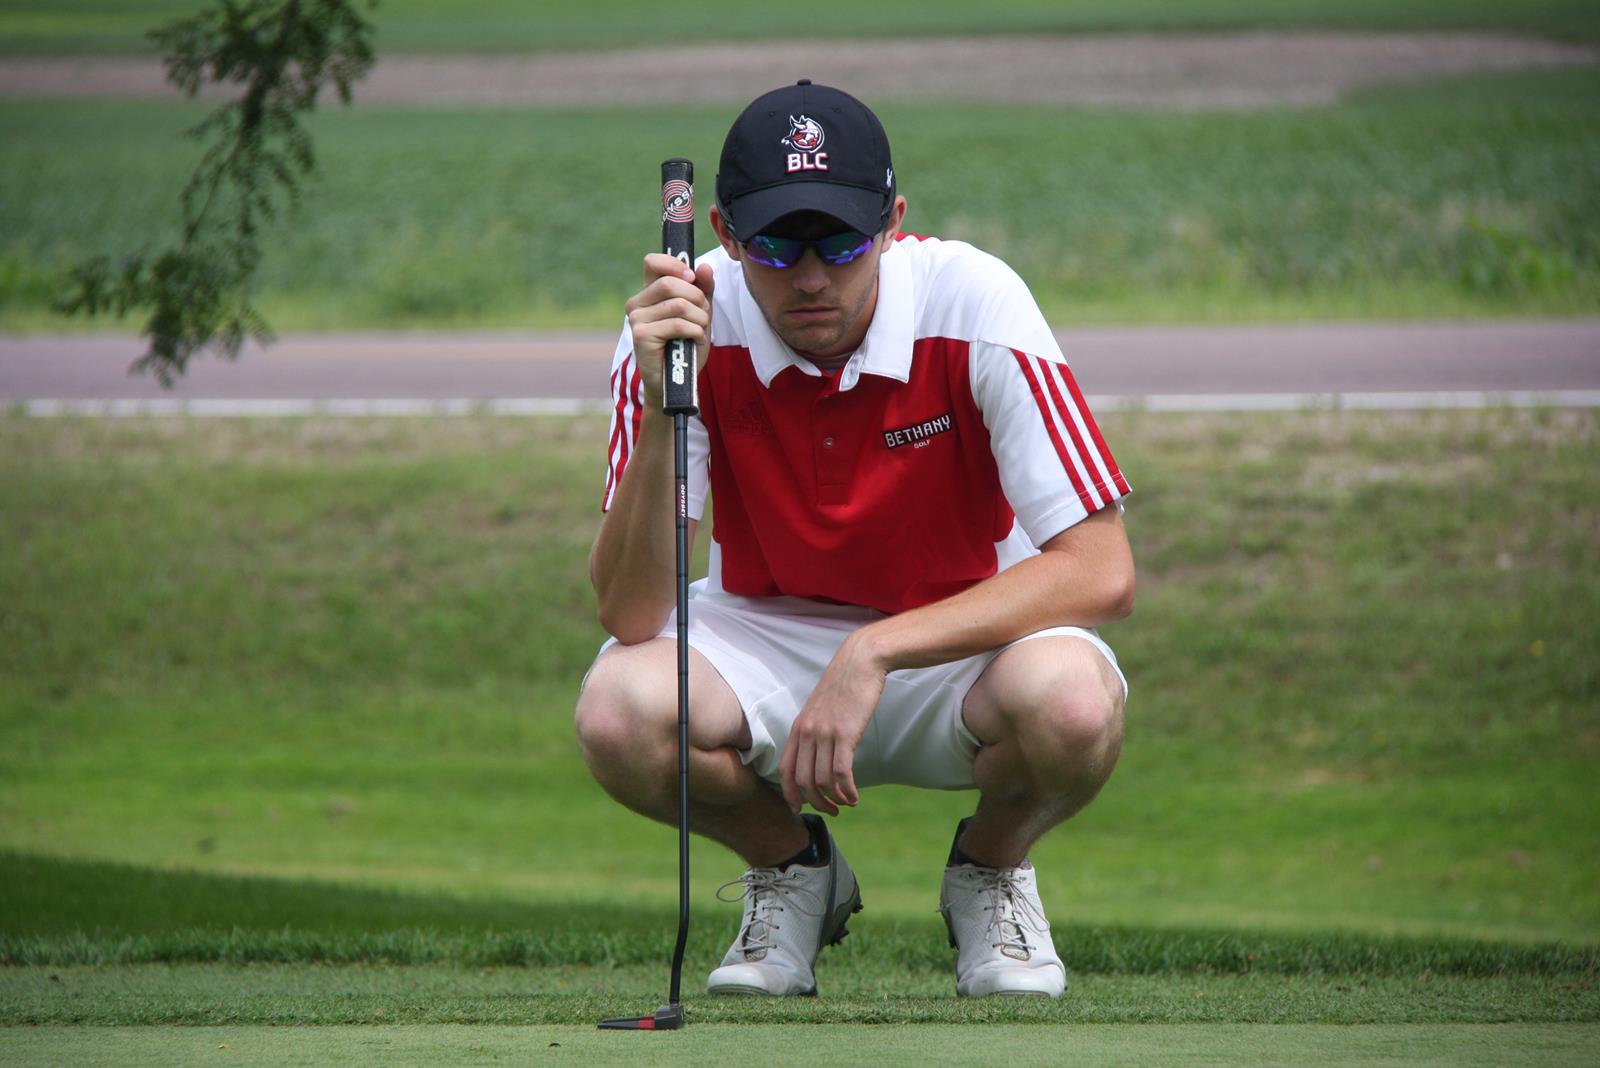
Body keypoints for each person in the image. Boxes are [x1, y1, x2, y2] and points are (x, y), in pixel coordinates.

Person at [575, 80, 1134, 999]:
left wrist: (872, 652)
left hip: (964, 638)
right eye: (773, 245)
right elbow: (633, 612)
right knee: (616, 714)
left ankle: (991, 869)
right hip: (763, 634)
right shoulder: (681, 326)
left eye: (840, 243)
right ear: (722, 234)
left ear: (892, 223)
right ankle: (793, 871)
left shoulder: (975, 300)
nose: (809, 277)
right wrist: (664, 401)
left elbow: (1103, 569)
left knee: (1075, 708)